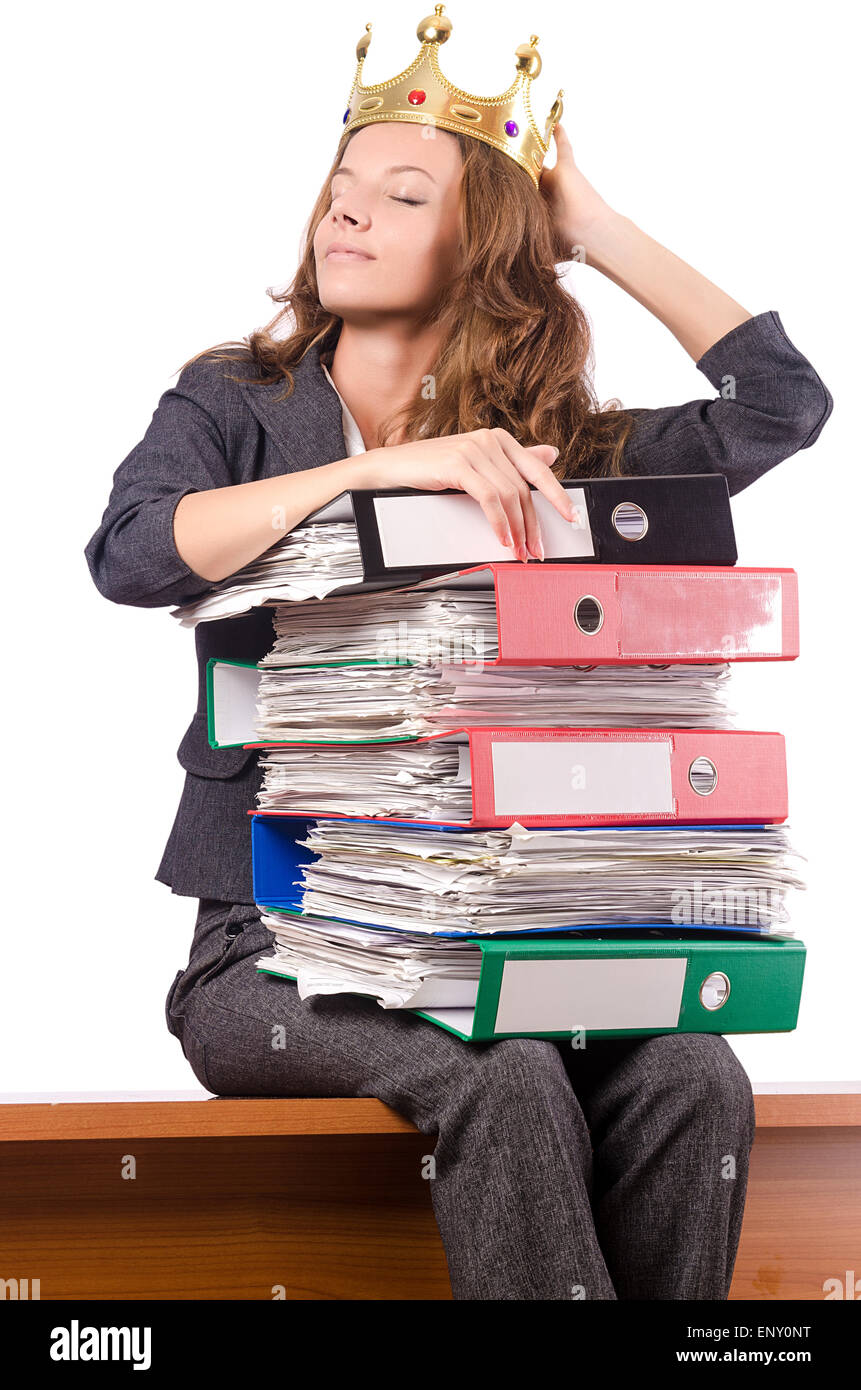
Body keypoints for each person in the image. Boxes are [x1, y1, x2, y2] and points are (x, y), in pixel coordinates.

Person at [84, 58, 832, 1299]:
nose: (347, 212)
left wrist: (589, 229)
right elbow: (131, 551)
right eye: (340, 187)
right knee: (502, 1072)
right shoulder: (237, 402)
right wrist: (359, 479)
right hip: (267, 962)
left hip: (519, 948)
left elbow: (780, 407)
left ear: (483, 244)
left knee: (696, 1072)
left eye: (403, 194)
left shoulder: (555, 452)